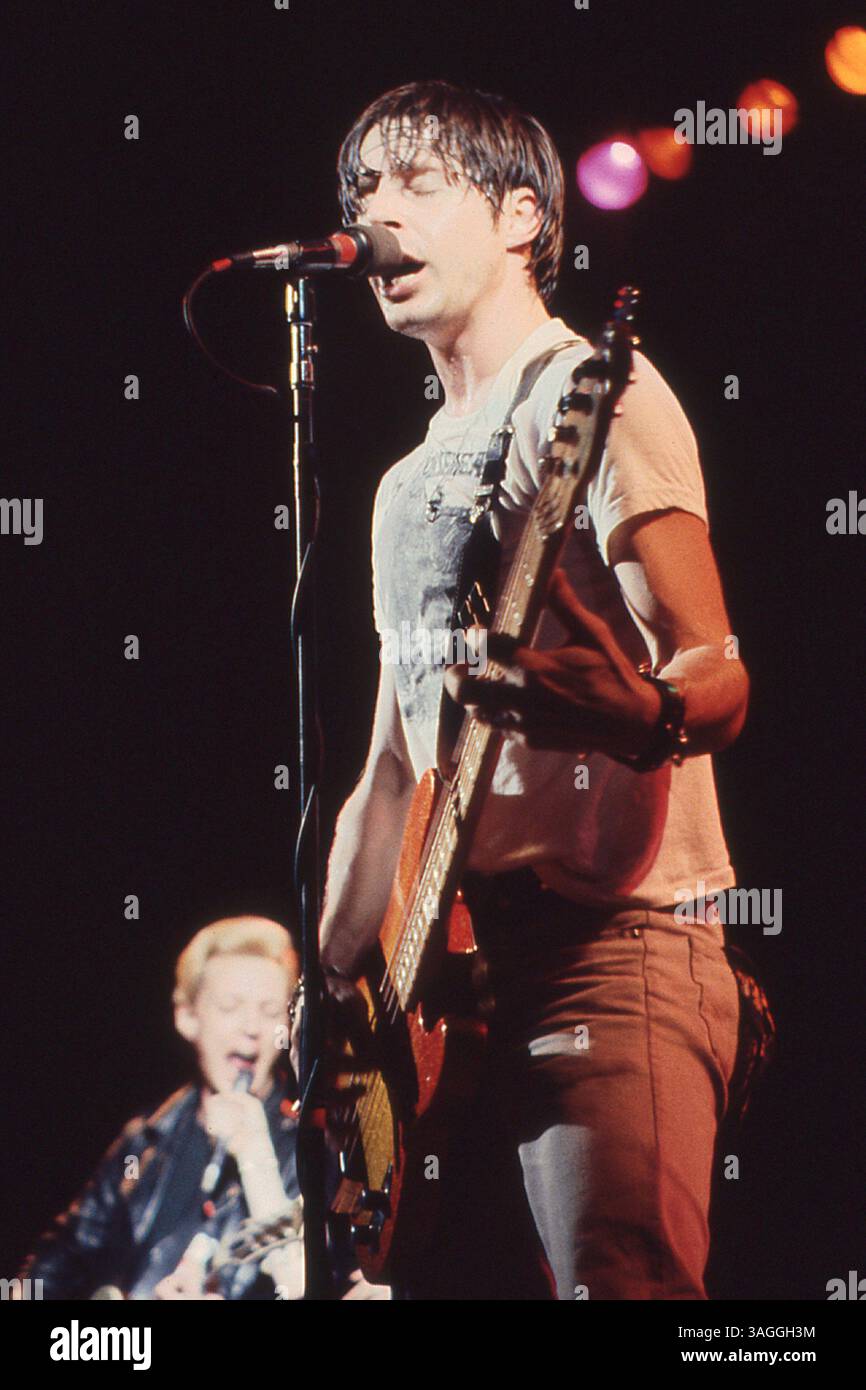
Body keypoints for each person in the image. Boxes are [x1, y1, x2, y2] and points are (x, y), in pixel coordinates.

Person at [312, 80, 750, 1299]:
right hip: (450, 986)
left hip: (613, 946)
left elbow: (716, 669)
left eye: (414, 183)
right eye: (360, 191)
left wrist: (637, 712)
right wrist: (332, 1002)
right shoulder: (400, 487)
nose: (374, 216)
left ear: (519, 218)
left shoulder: (588, 392)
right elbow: (392, 771)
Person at [16, 915, 385, 1299]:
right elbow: (64, 1256)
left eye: (271, 1010)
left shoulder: (311, 1147)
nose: (251, 1027)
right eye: (229, 1006)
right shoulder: (147, 1138)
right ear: (187, 1017)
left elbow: (308, 1280)